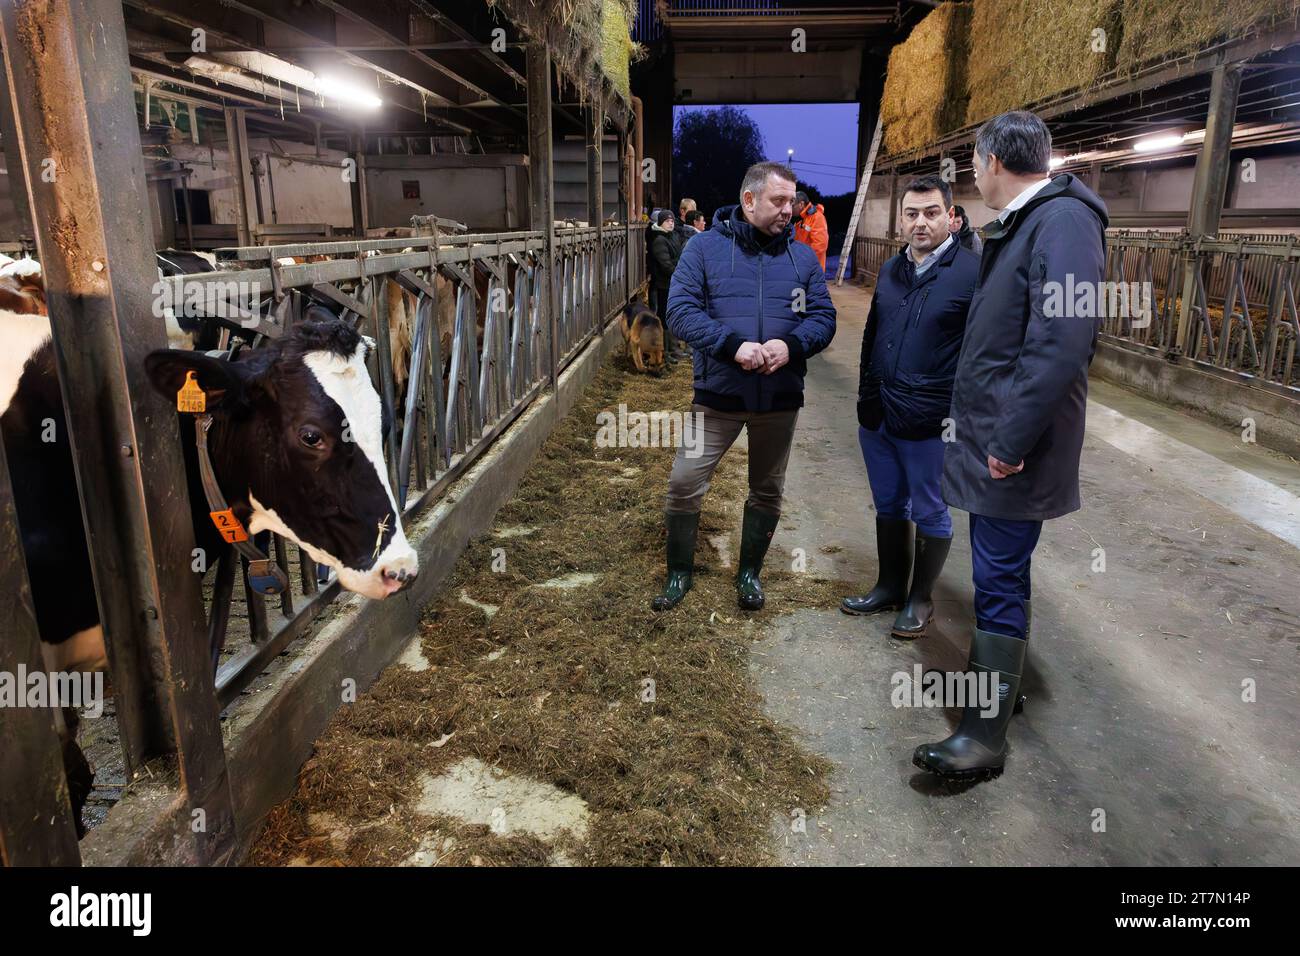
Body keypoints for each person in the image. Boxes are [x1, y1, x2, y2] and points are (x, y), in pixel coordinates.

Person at [913, 110, 1108, 780]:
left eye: (973, 164)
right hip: (1000, 431)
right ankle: (996, 695)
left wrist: (1011, 437)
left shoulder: (1063, 222)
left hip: (1013, 442)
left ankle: (983, 738)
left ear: (994, 161)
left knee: (997, 575)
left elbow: (1063, 340)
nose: (974, 176)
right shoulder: (1035, 221)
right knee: (999, 568)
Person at [654, 161, 836, 613]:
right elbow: (679, 310)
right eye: (778, 201)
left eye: (792, 202)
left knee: (767, 489)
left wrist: (790, 346)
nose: (789, 212)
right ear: (749, 200)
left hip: (779, 397)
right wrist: (731, 345)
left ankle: (749, 574)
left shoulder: (801, 258)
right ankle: (679, 573)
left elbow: (823, 318)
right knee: (684, 482)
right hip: (718, 395)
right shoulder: (705, 251)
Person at [841, 174, 978, 638]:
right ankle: (889, 586)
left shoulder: (971, 274)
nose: (921, 223)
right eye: (912, 214)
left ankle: (921, 599)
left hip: (929, 419)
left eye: (932, 212)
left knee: (930, 508)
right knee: (888, 502)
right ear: (901, 220)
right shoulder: (891, 270)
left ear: (952, 218)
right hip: (879, 410)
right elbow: (871, 336)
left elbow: (978, 355)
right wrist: (865, 392)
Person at [648, 210, 687, 362]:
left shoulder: (672, 236)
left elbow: (678, 258)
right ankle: (665, 352)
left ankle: (672, 349)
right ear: (660, 223)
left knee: (670, 315)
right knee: (663, 317)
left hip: (672, 282)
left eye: (672, 220)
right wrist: (680, 272)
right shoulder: (659, 240)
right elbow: (666, 264)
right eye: (667, 221)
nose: (671, 223)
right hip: (664, 284)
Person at [792, 191, 829, 271]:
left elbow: (820, 245)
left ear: (801, 204)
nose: (790, 209)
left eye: (792, 206)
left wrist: (802, 260)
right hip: (803, 268)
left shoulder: (817, 217)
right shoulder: (801, 220)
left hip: (813, 270)